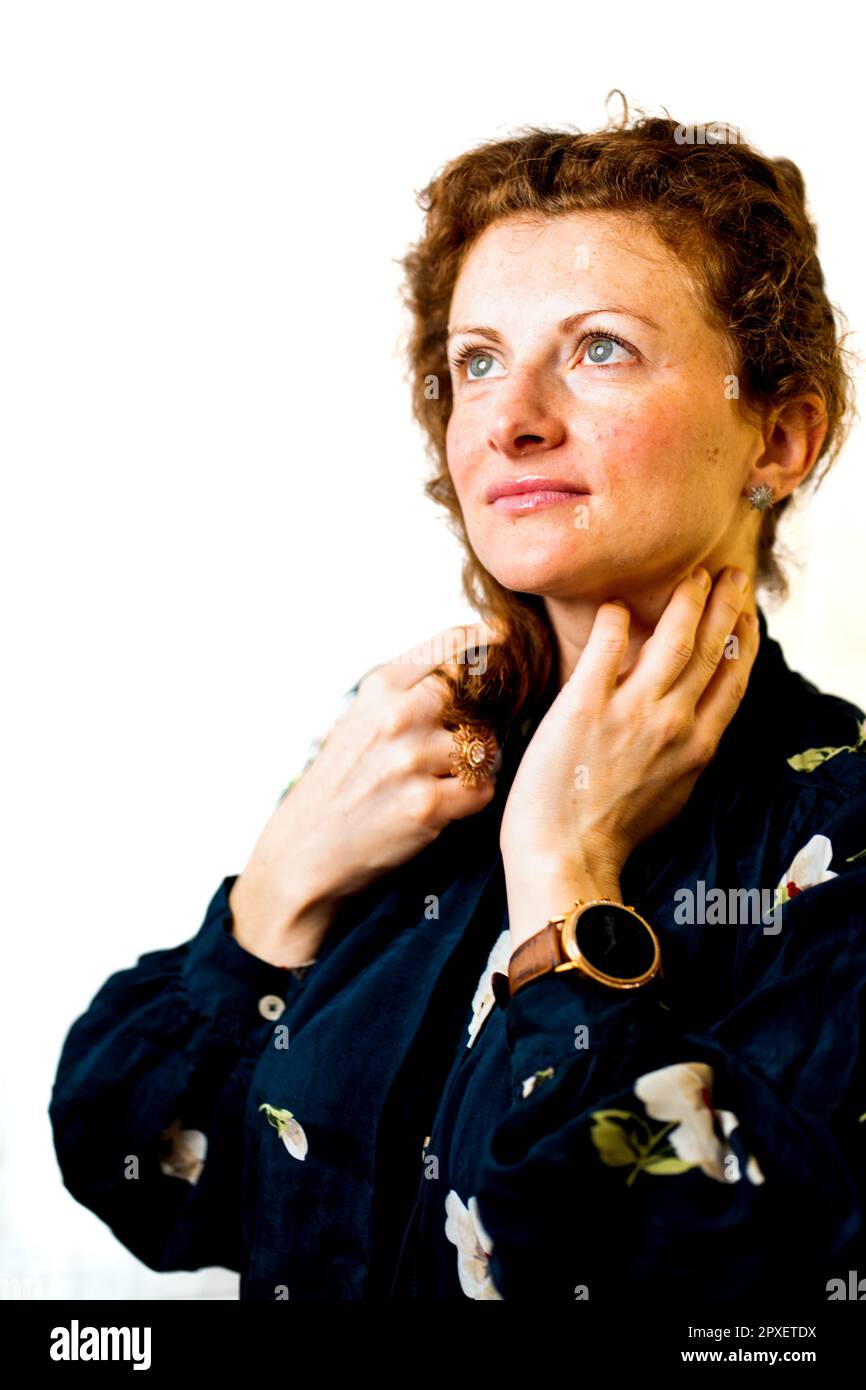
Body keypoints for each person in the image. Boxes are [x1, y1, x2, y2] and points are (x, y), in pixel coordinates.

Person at [49, 108, 866, 1304]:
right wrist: (275, 892)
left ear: (781, 434)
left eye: (598, 348)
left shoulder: (843, 832)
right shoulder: (402, 753)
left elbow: (713, 1290)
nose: (508, 413)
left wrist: (565, 878)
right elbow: (149, 1176)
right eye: (474, 359)